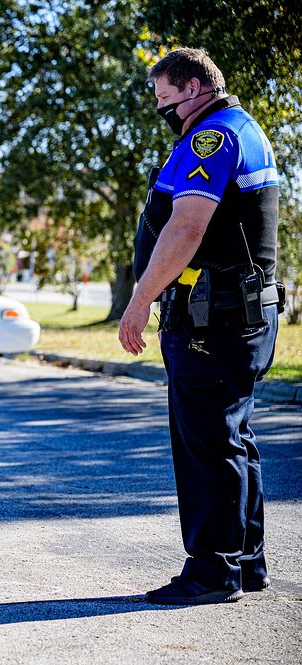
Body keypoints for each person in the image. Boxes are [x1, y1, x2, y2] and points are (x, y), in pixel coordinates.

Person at [119, 48, 283, 605]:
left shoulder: (211, 137)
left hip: (212, 322)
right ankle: (246, 561)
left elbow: (187, 227)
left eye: (166, 98)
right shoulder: (243, 128)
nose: (163, 109)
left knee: (207, 444)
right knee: (232, 439)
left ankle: (213, 571)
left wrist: (141, 300)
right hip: (238, 316)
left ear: (193, 87)